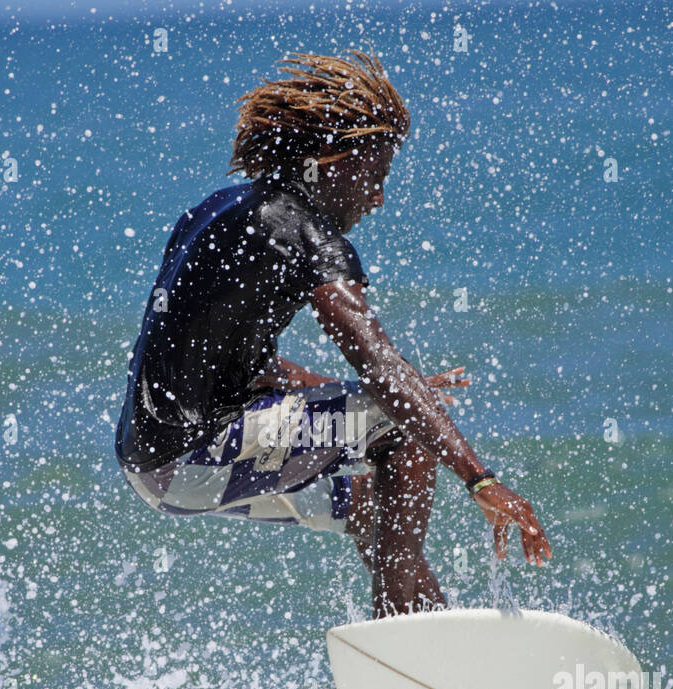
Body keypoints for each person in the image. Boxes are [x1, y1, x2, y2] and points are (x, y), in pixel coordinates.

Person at [116, 49, 550, 617]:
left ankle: (434, 659)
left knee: (381, 511)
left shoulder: (217, 211)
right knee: (405, 428)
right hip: (193, 458)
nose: (378, 198)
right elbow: (378, 364)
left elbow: (253, 368)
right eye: (375, 176)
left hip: (154, 468)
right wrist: (480, 480)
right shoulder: (303, 233)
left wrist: (390, 393)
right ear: (333, 161)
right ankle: (406, 638)